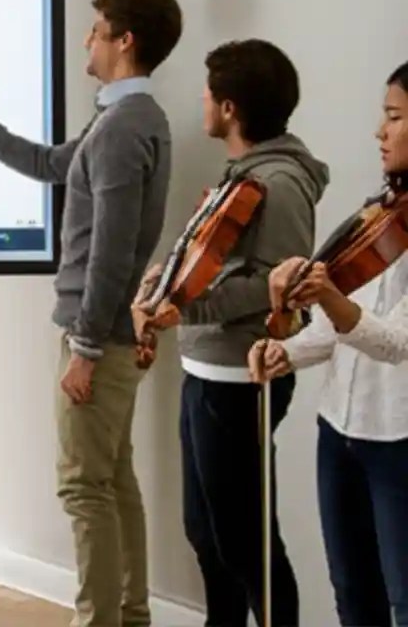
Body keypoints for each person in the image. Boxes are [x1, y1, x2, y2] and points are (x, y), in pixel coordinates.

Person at [0, 0, 182, 626]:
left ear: (125, 41)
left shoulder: (125, 127)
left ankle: (100, 620)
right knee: (113, 479)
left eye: (97, 29)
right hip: (106, 332)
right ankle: (129, 615)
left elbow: (113, 251)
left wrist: (86, 348)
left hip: (97, 335)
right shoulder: (123, 120)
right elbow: (49, 164)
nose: (87, 40)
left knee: (84, 487)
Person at [134, 39, 328, 627]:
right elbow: (206, 255)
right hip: (205, 372)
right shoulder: (240, 174)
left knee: (248, 541)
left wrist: (183, 309)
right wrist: (161, 279)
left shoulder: (281, 182)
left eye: (210, 91)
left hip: (240, 379)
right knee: (205, 530)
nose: (202, 97)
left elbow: (280, 281)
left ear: (231, 109)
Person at [250, 59, 408, 627]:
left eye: (393, 117)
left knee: (405, 599)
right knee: (351, 591)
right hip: (337, 432)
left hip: (398, 440)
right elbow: (334, 329)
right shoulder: (383, 210)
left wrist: (329, 295)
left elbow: (395, 342)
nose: (379, 132)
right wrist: (286, 351)